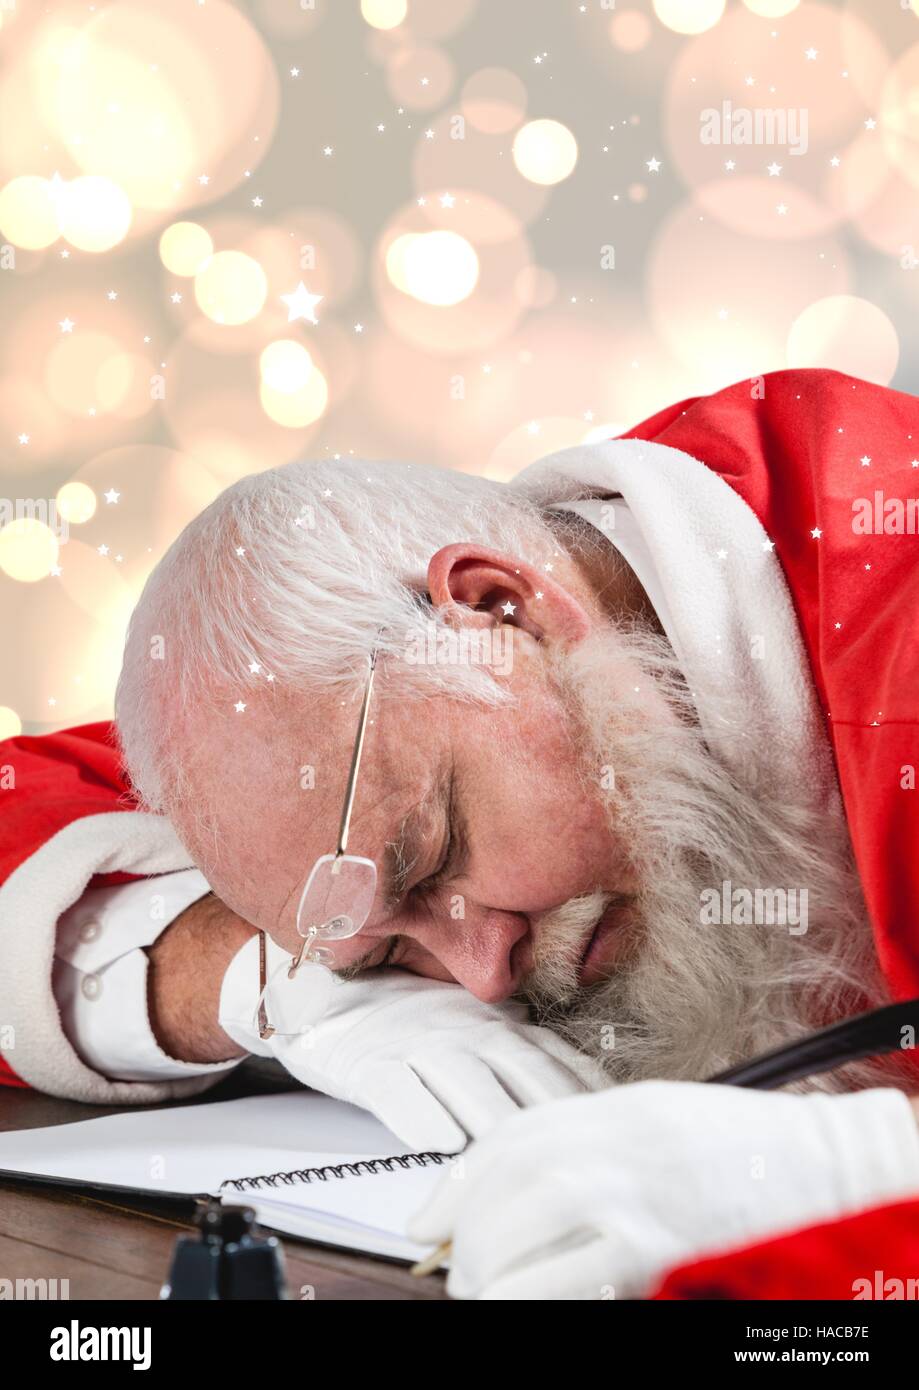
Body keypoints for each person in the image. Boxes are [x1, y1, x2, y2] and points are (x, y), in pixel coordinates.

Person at [3, 367, 919, 1297]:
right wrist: (277, 981)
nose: (481, 974)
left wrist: (868, 1184)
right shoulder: (373, 706)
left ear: (494, 610)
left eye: (432, 860)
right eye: (394, 950)